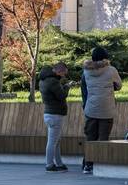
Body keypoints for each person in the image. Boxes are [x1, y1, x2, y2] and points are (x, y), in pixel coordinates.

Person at [79, 46, 122, 175]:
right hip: (107, 109)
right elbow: (119, 86)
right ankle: (101, 165)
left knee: (90, 137)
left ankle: (87, 164)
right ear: (105, 57)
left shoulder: (86, 71)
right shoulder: (111, 70)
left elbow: (84, 88)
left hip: (91, 108)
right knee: (103, 137)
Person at [39, 62, 72, 172]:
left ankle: (59, 163)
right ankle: (49, 164)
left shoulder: (44, 80)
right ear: (58, 71)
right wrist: (67, 87)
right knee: (53, 141)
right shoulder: (53, 81)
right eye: (63, 74)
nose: (63, 76)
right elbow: (62, 95)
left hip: (49, 113)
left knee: (56, 141)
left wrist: (62, 85)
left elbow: (54, 94)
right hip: (55, 114)